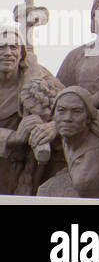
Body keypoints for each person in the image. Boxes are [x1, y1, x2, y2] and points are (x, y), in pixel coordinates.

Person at [0, 21, 57, 194]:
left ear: (22, 53)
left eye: (14, 47)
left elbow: (68, 105)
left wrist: (51, 127)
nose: (8, 53)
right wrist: (14, 136)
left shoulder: (38, 78)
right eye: (1, 47)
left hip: (24, 169)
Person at [37, 86, 99, 198]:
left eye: (77, 112)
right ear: (53, 115)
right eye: (61, 110)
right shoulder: (72, 131)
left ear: (88, 118)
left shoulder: (87, 176)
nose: (67, 118)